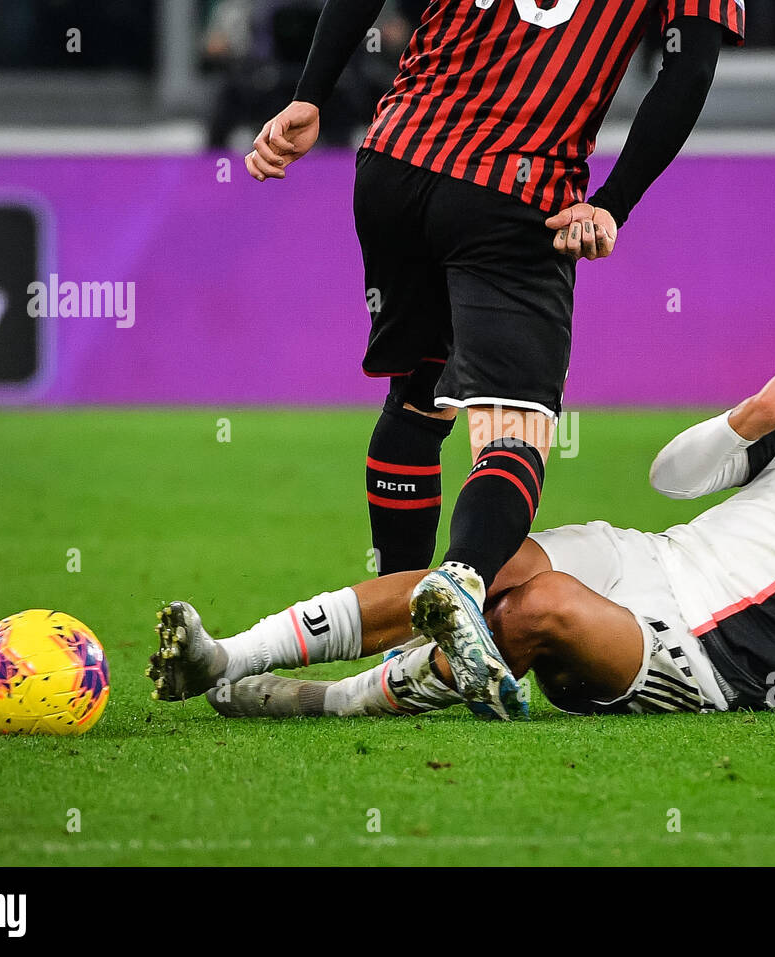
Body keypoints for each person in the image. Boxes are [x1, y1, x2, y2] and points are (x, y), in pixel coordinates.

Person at [148, 321, 775, 719]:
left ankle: (331, 702)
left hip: (711, 662)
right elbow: (669, 477)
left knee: (535, 611)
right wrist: (752, 415)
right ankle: (225, 657)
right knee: (482, 569)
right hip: (647, 556)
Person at [242, 0, 746, 720]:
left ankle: (395, 629)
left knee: (417, 397)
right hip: (516, 188)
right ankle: (460, 582)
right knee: (514, 430)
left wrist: (310, 94)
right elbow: (688, 68)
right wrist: (614, 202)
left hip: (396, 161)